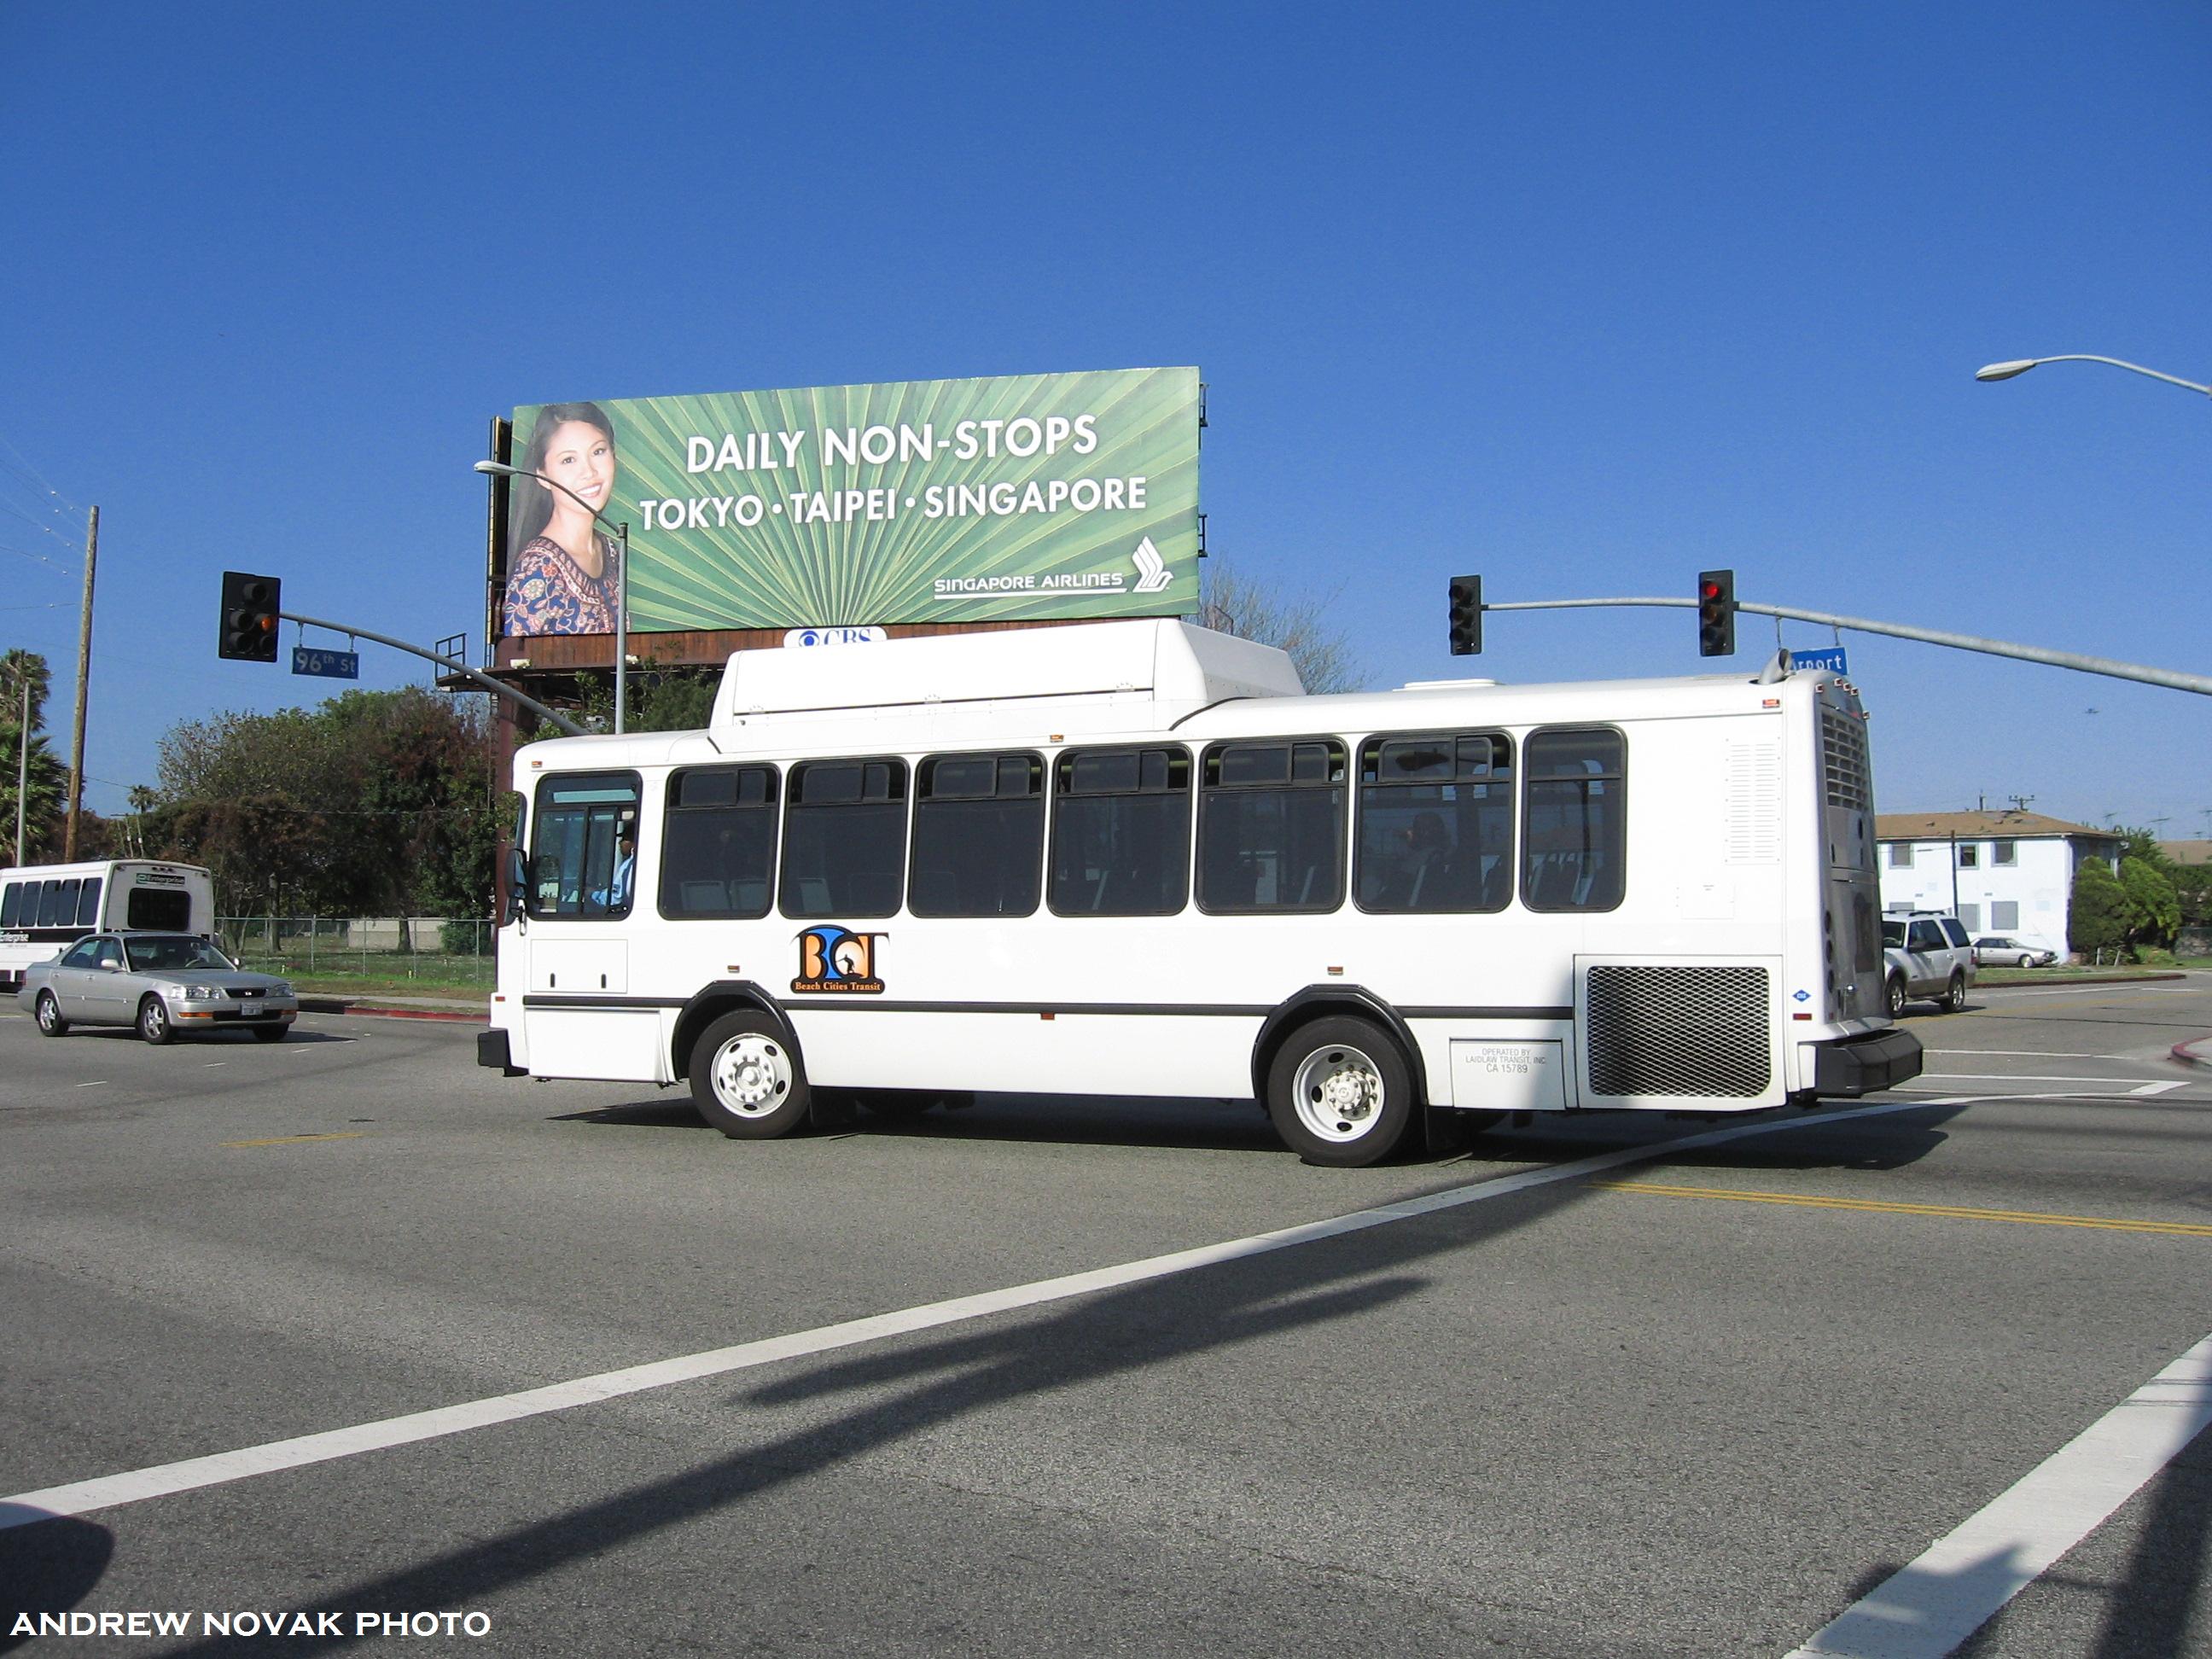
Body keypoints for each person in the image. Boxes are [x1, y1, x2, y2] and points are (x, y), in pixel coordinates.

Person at [500, 402, 623, 637]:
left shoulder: (612, 550)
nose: (589, 472)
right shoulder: (538, 568)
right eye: (568, 460)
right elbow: (520, 657)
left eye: (598, 452)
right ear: (543, 475)